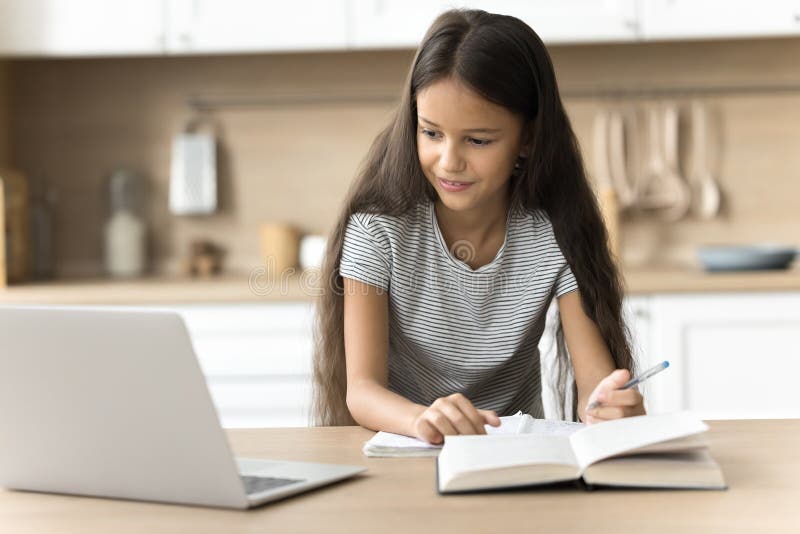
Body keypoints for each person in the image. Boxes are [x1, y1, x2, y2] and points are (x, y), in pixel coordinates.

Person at [312, 8, 645, 444]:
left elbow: (593, 387)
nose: (449, 161)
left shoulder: (552, 233)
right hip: (405, 451)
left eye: (478, 140)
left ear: (528, 138)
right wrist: (422, 420)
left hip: (515, 455)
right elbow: (363, 391)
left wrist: (609, 408)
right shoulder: (377, 232)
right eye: (431, 133)